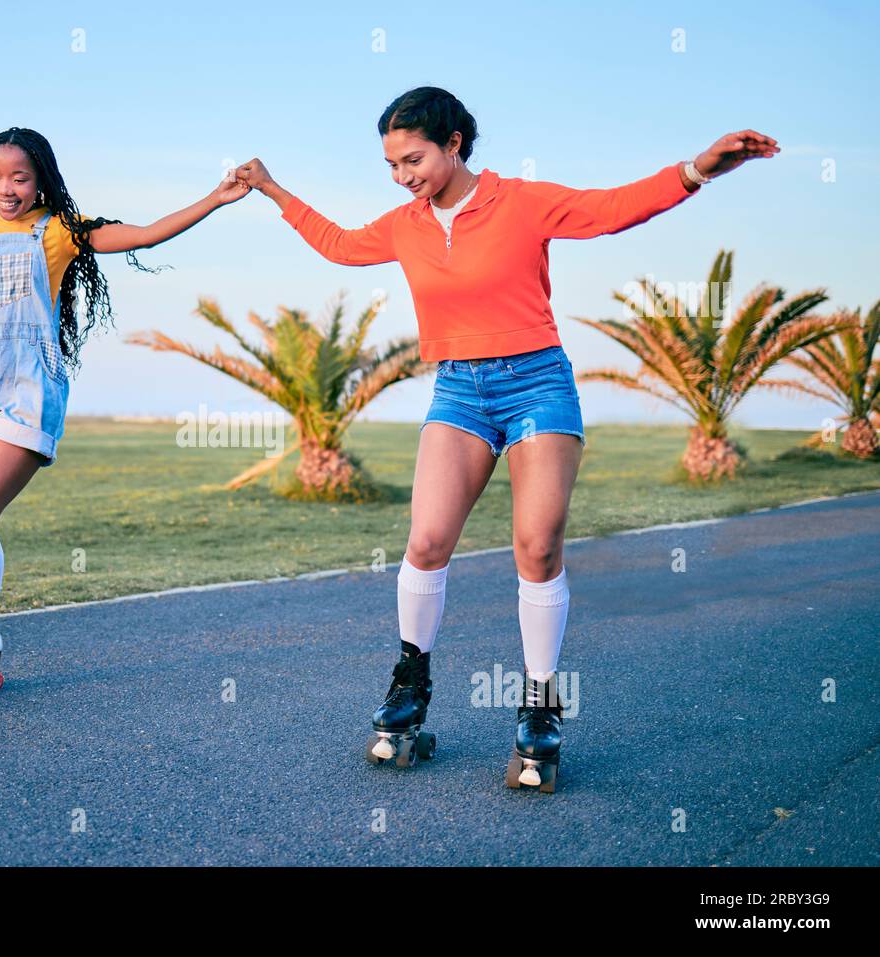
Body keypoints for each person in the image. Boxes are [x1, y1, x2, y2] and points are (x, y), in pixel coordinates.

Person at [235, 86, 778, 786]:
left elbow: (611, 210)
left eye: (414, 159)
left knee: (537, 544)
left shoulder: (521, 201)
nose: (404, 176)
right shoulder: (406, 223)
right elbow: (338, 245)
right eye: (392, 165)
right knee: (427, 541)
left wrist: (697, 170)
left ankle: (540, 705)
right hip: (459, 389)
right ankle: (410, 687)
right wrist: (273, 188)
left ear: (454, 143)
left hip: (537, 386)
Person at [0, 127, 248, 691]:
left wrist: (214, 198)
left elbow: (147, 235)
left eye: (19, 177)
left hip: (29, 387)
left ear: (41, 182)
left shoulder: (60, 231)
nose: (5, 188)